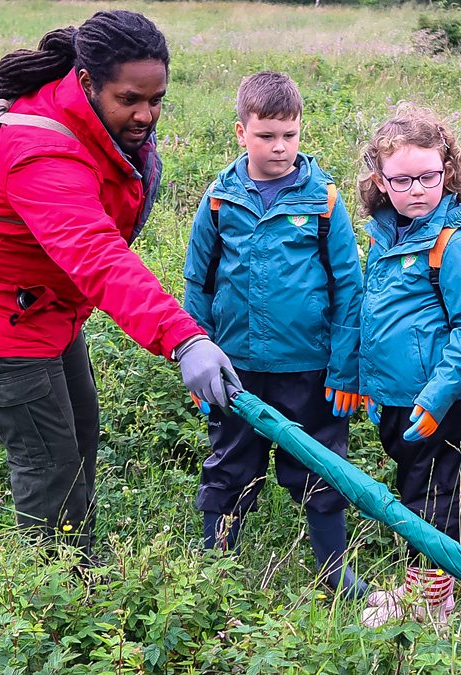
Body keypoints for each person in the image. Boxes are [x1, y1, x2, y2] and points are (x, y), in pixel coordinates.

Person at [0, 10, 237, 563]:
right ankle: (55, 595)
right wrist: (184, 339)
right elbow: (97, 256)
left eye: (156, 100)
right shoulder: (42, 153)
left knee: (81, 433)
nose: (145, 114)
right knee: (48, 460)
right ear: (86, 82)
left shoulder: (94, 120)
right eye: (130, 99)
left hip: (41, 299)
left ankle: (77, 559)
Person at [182, 71, 369, 599]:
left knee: (320, 467)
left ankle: (335, 572)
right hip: (234, 367)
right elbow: (198, 280)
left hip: (309, 369)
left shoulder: (324, 201)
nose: (280, 147)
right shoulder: (219, 200)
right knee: (229, 466)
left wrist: (344, 368)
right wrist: (197, 350)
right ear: (241, 133)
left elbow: (348, 290)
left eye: (289, 134)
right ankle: (214, 571)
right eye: (266, 136)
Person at [354, 104, 461, 626]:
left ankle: (432, 603)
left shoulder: (453, 243)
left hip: (442, 400)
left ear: (448, 171)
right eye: (403, 179)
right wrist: (369, 386)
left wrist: (436, 396)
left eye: (429, 176)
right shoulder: (384, 235)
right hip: (397, 398)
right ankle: (425, 589)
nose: (417, 188)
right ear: (381, 181)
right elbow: (375, 314)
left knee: (435, 495)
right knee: (415, 488)